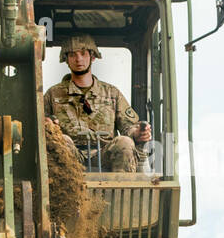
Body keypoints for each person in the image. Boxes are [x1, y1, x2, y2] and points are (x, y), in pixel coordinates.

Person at [43, 33, 152, 172]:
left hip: (104, 154)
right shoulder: (53, 94)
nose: (78, 59)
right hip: (70, 155)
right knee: (61, 141)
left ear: (92, 56)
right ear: (66, 59)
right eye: (72, 55)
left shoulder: (112, 93)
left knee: (124, 142)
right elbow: (41, 127)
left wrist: (137, 133)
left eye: (83, 53)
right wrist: (48, 126)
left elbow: (128, 126)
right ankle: (63, 193)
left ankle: (120, 192)